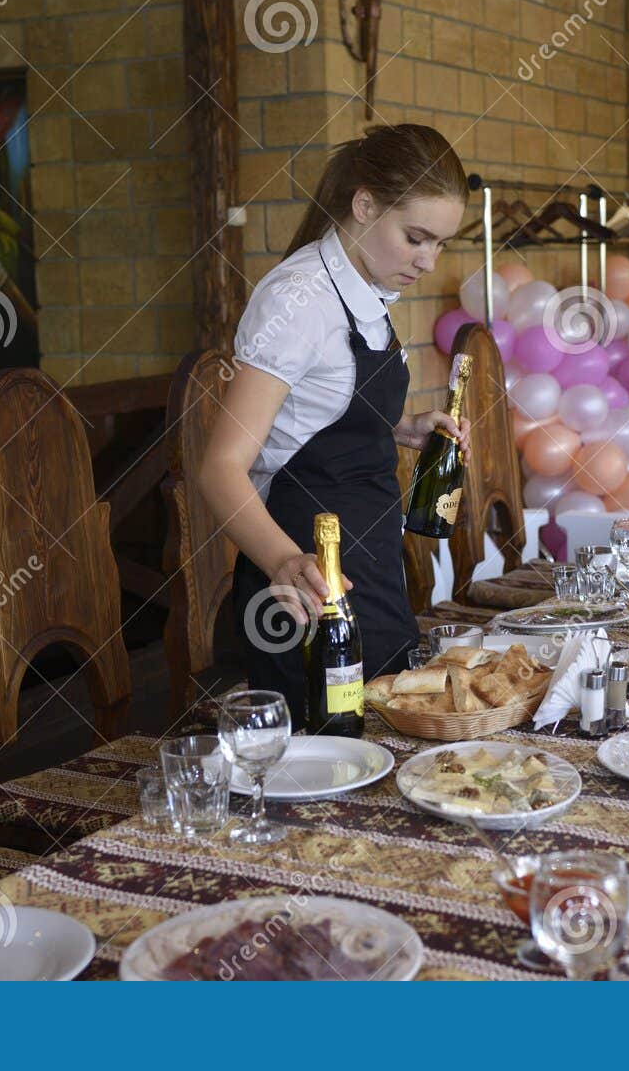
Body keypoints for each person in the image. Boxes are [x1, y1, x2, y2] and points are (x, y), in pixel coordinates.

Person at [198, 124, 470, 727]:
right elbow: (220, 467)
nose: (428, 261)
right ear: (365, 204)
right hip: (304, 585)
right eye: (417, 238)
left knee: (385, 749)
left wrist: (401, 427)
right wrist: (281, 562)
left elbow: (318, 405)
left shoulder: (366, 288)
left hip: (367, 559)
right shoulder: (297, 300)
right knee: (326, 768)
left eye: (442, 244)